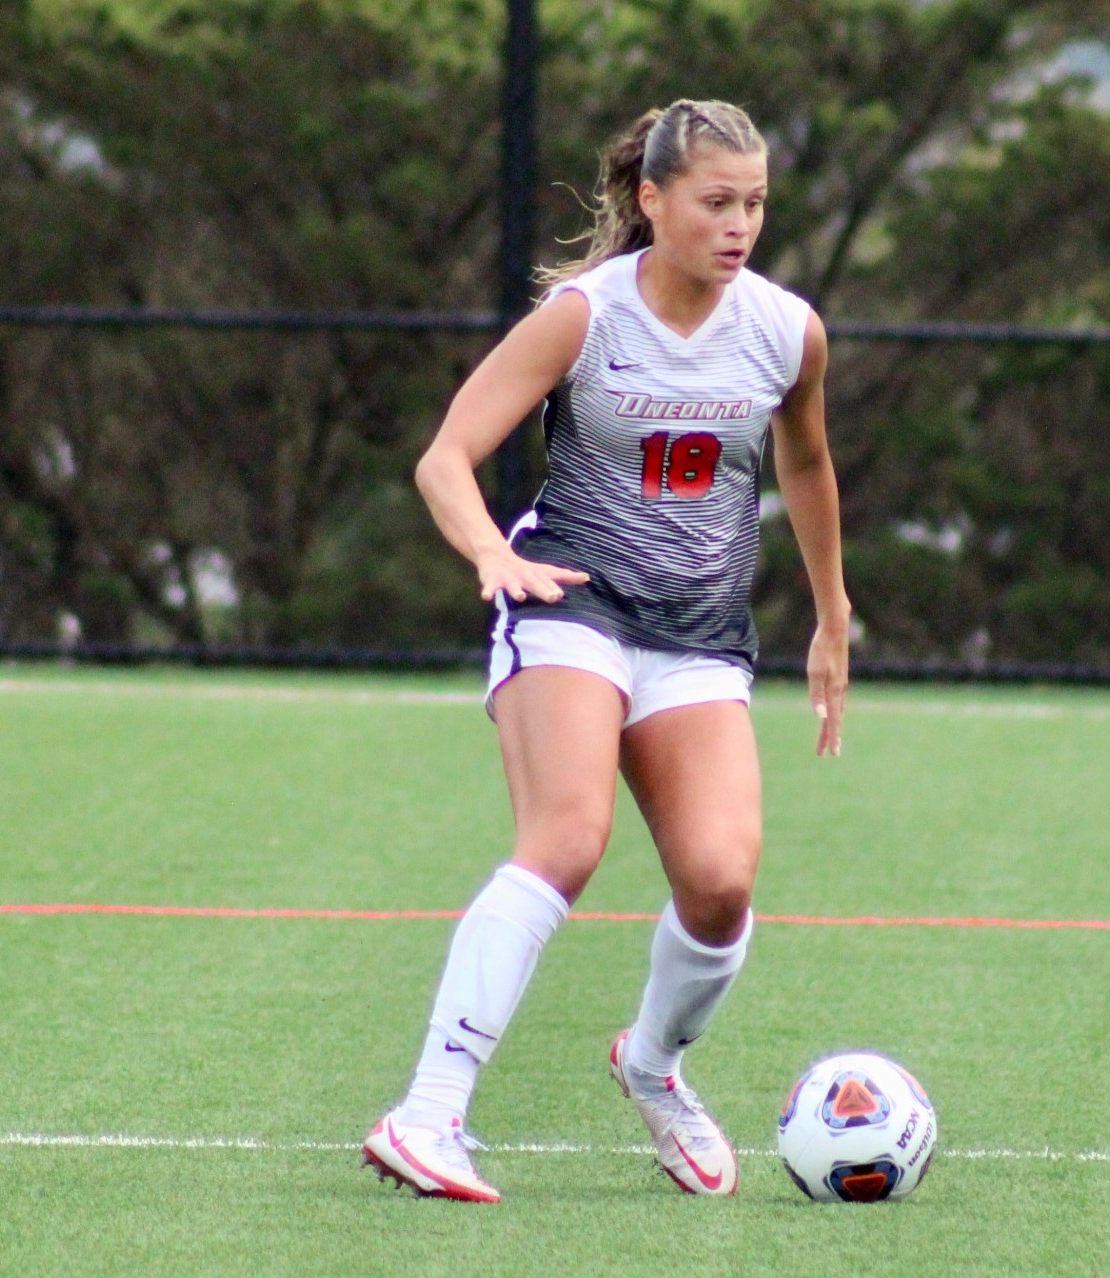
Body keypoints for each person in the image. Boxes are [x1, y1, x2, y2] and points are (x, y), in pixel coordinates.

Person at [360, 99, 850, 1203]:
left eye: (756, 204)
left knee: (721, 884)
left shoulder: (785, 329)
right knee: (569, 835)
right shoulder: (587, 316)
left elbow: (808, 467)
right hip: (571, 601)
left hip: (698, 632)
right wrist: (491, 552)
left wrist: (831, 611)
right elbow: (447, 456)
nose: (739, 225)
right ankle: (428, 1114)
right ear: (652, 200)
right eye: (715, 202)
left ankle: (653, 1067)